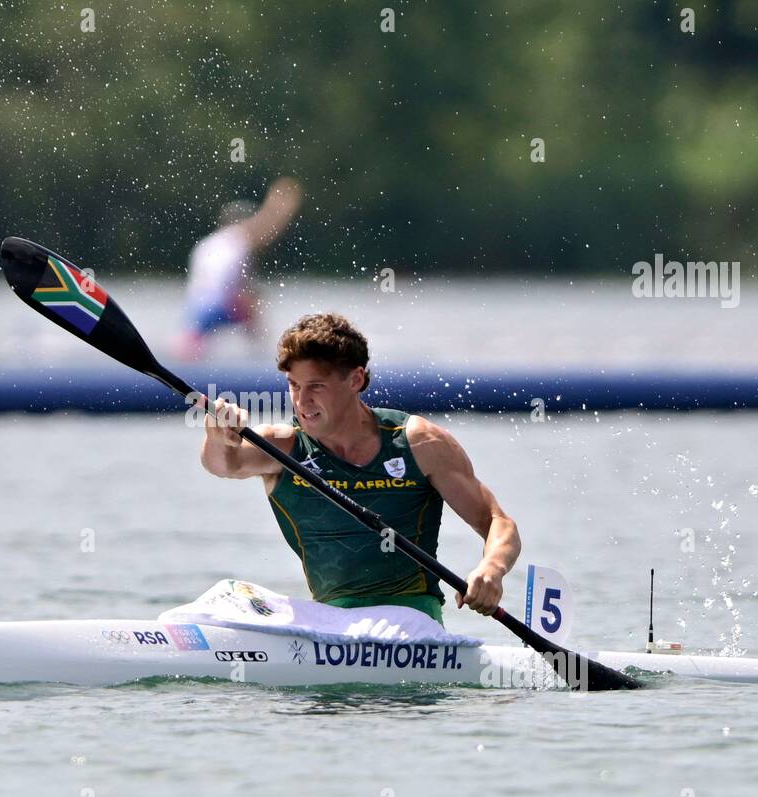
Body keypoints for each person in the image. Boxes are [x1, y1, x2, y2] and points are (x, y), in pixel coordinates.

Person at [198, 313, 520, 620]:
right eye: (294, 385)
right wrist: (217, 433)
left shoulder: (420, 444)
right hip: (330, 622)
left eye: (316, 386)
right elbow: (224, 463)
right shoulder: (282, 447)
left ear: (356, 379)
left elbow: (496, 521)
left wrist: (491, 569)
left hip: (411, 617)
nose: (301, 401)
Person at [175, 177, 302, 360]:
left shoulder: (210, 242)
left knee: (193, 339)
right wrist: (282, 203)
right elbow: (268, 225)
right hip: (219, 303)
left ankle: (188, 351)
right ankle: (265, 360)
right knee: (254, 302)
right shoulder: (238, 239)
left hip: (197, 306)